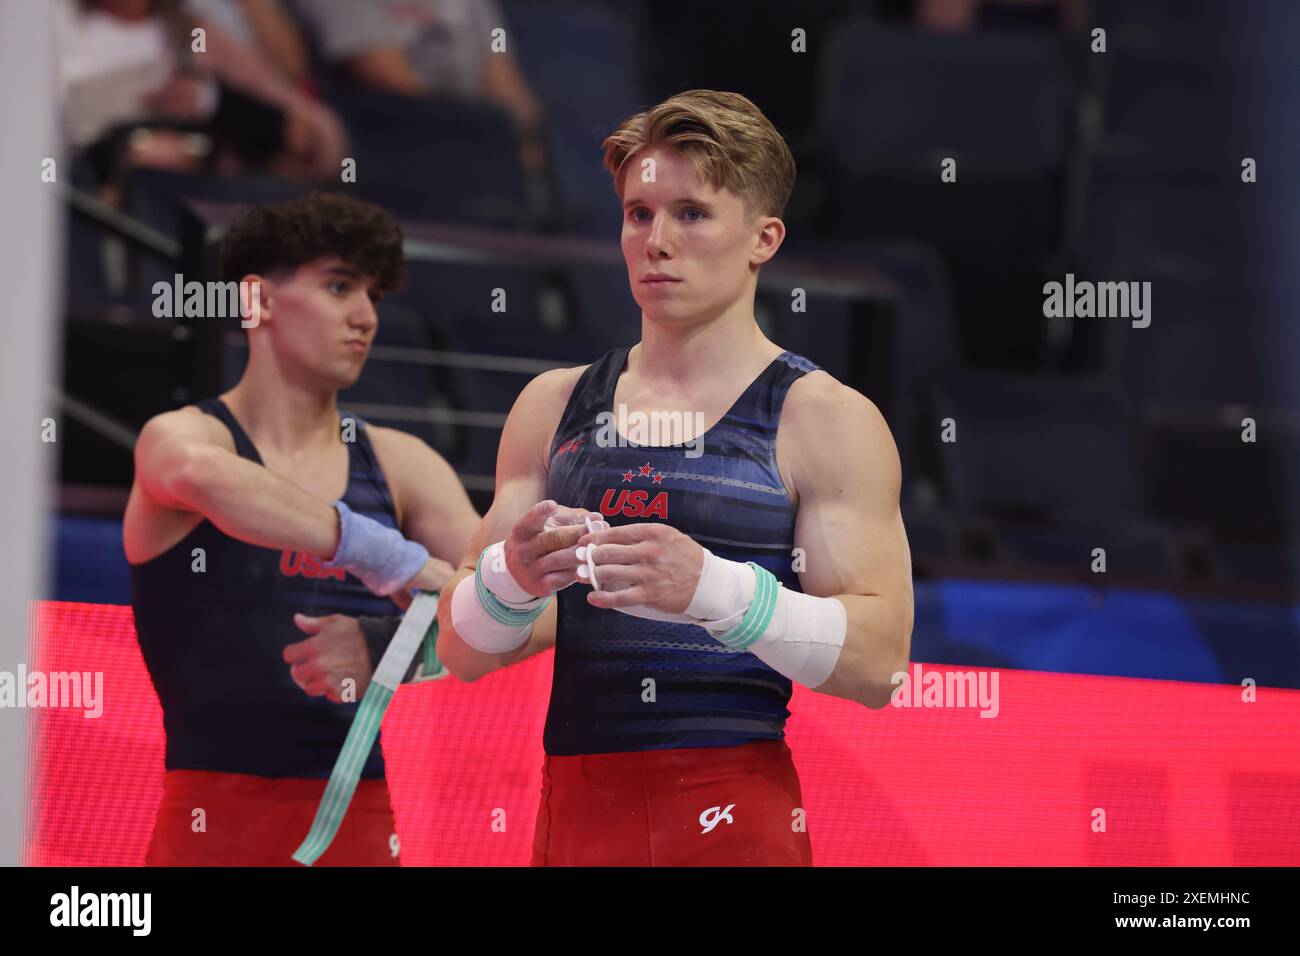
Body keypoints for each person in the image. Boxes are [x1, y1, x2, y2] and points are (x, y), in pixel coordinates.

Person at [435, 90, 915, 866]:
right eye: (638, 213)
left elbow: (880, 665)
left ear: (764, 239)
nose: (656, 241)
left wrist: (715, 591)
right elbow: (461, 650)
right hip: (577, 817)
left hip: (731, 815)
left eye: (691, 214)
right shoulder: (552, 406)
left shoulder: (823, 419)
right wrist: (510, 580)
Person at [124, 191, 478, 865]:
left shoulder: (401, 464)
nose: (366, 316)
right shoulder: (187, 439)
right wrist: (385, 555)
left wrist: (392, 650)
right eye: (339, 286)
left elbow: (516, 610)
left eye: (373, 293)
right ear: (256, 301)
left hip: (359, 819)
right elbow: (199, 475)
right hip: (210, 824)